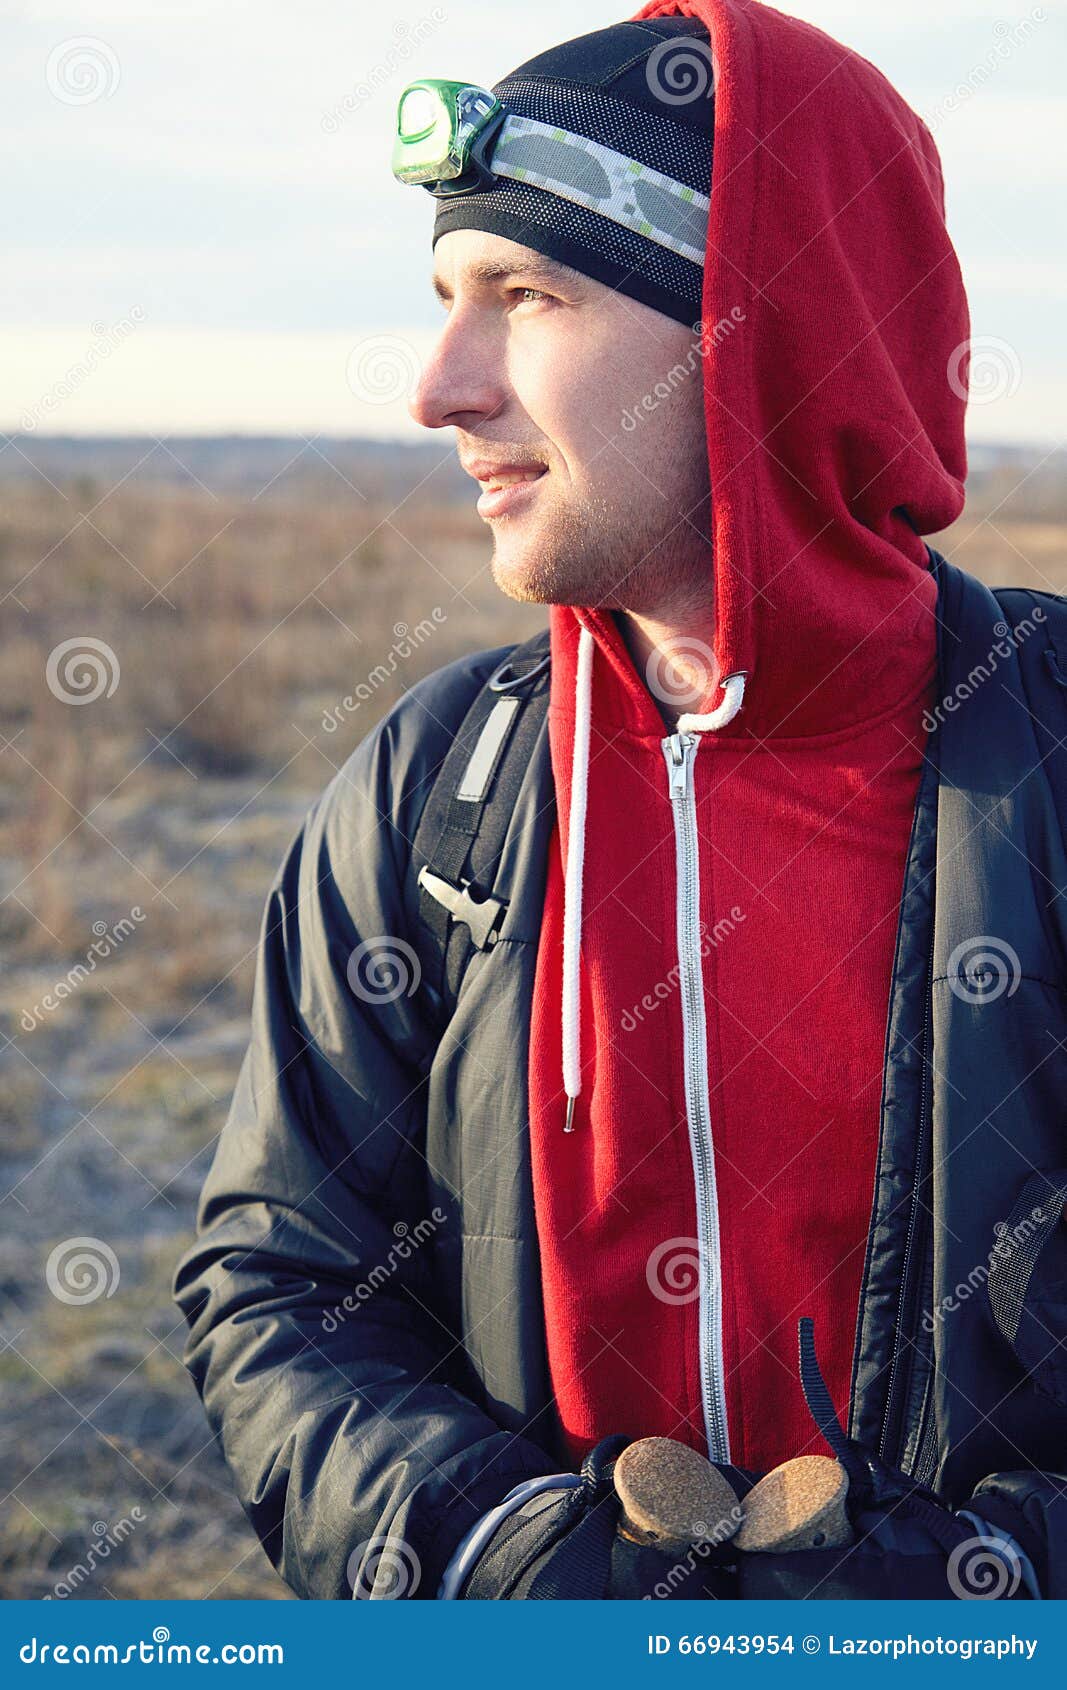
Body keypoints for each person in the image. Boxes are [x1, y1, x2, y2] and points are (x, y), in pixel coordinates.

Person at [173, 1, 1067, 1601]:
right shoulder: (440, 789)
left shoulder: (1045, 759)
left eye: (526, 296)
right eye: (444, 301)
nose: (439, 387)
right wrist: (501, 1555)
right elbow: (283, 1277)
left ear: (755, 332)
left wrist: (971, 1585)